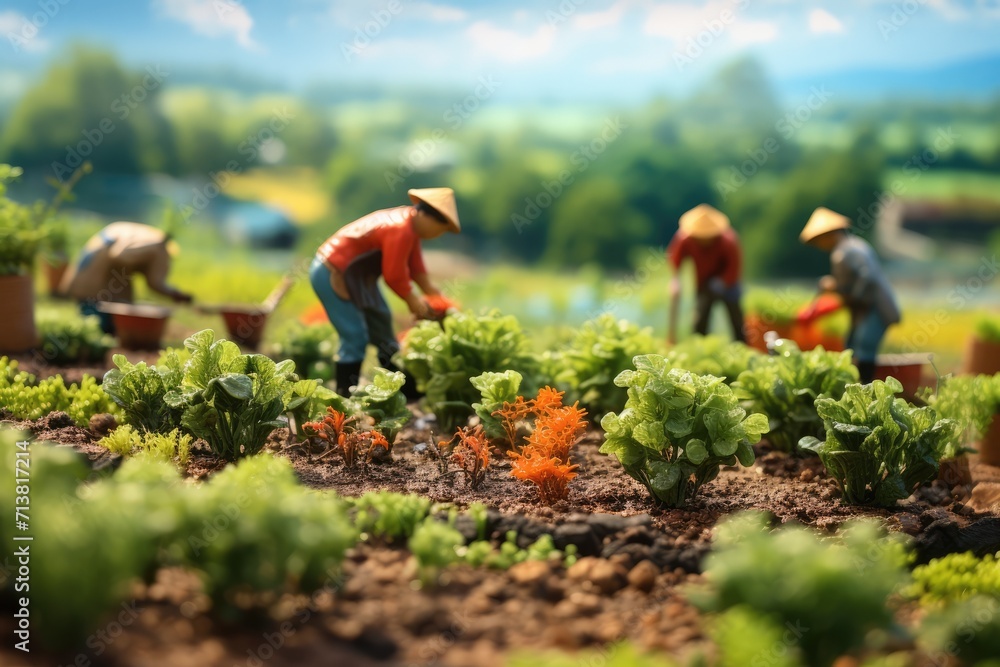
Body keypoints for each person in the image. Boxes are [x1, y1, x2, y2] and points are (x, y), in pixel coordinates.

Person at [310, 187, 461, 394]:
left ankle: (402, 388)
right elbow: (394, 274)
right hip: (333, 273)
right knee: (355, 335)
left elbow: (416, 268)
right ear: (428, 216)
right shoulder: (399, 228)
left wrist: (433, 293)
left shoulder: (410, 228)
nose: (439, 234)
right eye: (441, 228)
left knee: (382, 325)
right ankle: (344, 393)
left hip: (360, 279)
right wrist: (412, 300)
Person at [799, 207, 901, 383]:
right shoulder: (850, 248)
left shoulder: (846, 251)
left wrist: (852, 296)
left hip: (874, 307)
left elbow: (867, 277)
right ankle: (858, 388)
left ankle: (866, 390)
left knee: (863, 347)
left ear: (829, 234)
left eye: (819, 240)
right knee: (851, 346)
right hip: (865, 308)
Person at [60, 221, 193, 334]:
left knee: (101, 330)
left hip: (90, 287)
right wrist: (157, 247)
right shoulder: (156, 245)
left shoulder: (138, 235)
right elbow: (120, 254)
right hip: (96, 294)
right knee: (99, 331)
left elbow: (153, 281)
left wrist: (173, 293)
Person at [667, 204, 745, 345]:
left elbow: (734, 268)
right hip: (703, 282)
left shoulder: (729, 241)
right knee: (700, 319)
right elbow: (675, 259)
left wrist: (721, 283)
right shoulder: (686, 238)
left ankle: (742, 347)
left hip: (729, 283)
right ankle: (699, 348)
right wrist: (676, 280)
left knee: (737, 321)